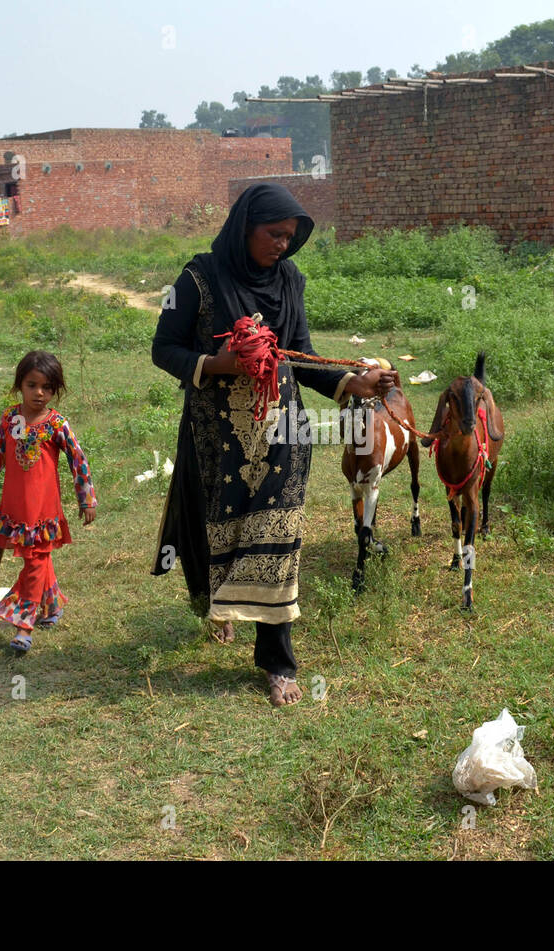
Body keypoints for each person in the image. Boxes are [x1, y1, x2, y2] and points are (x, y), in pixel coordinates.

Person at [151, 183, 394, 706]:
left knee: (276, 542)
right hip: (216, 435)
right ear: (244, 226)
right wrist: (218, 364)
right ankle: (221, 605)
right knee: (214, 530)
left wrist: (352, 382)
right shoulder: (198, 278)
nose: (282, 245)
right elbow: (163, 347)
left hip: (283, 433)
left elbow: (298, 354)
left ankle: (277, 663)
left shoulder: (289, 280)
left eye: (289, 237)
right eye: (274, 233)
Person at [0, 350, 97, 653]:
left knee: (35, 560)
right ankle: (51, 606)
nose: (39, 393)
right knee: (39, 557)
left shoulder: (57, 424)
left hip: (43, 510)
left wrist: (86, 499)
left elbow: (78, 461)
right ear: (19, 385)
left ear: (55, 390)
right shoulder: (11, 418)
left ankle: (23, 625)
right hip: (14, 507)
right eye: (32, 385)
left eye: (47, 387)